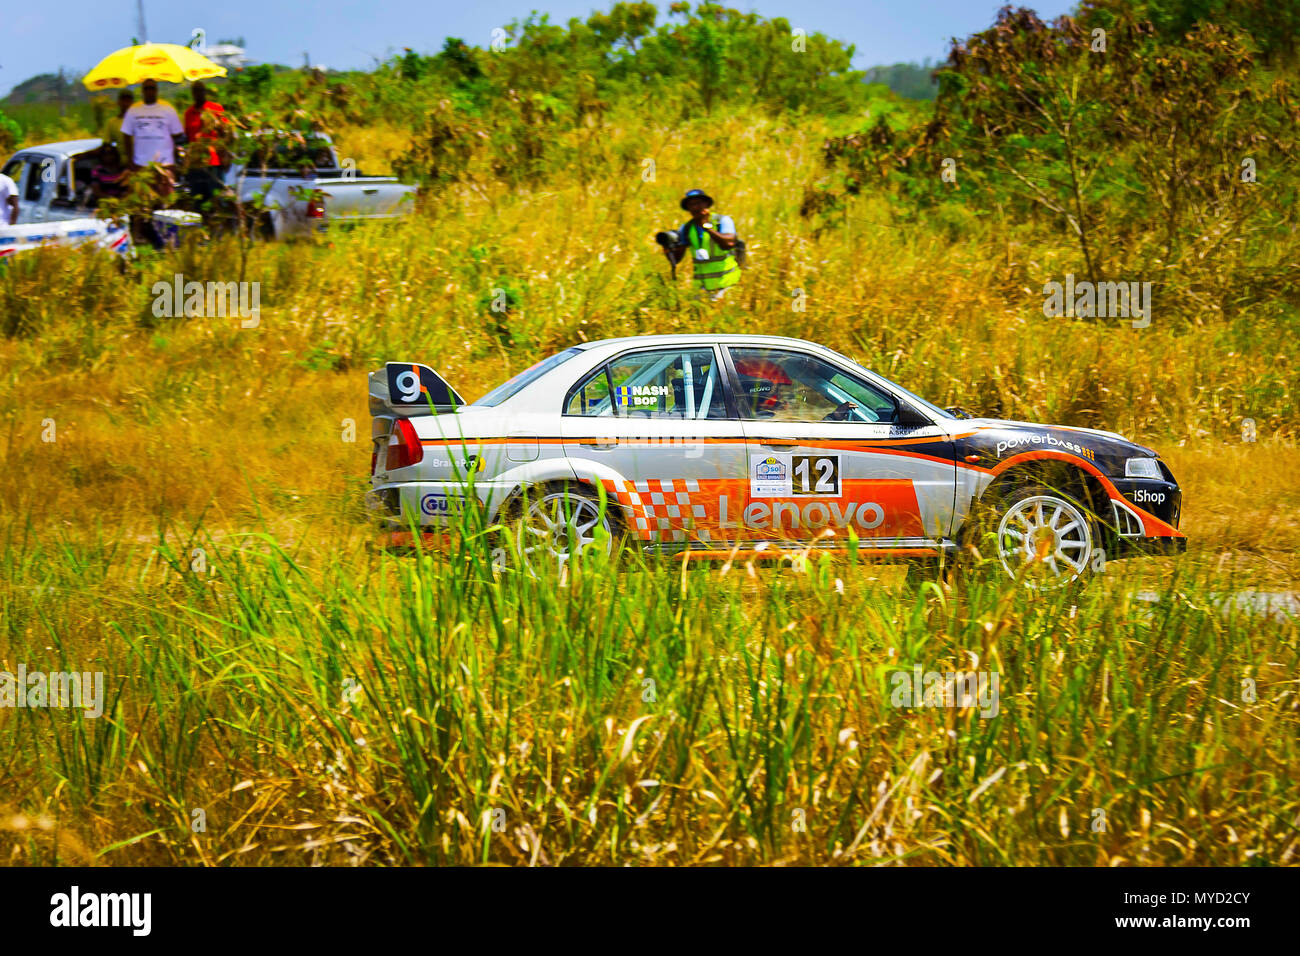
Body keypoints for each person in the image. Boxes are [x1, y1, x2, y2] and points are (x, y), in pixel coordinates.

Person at [668, 188, 741, 300]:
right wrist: (668, 248)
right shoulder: (687, 228)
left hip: (726, 285)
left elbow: (729, 243)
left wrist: (707, 227)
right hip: (701, 288)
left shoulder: (722, 221)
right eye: (691, 205)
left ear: (706, 204)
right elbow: (677, 259)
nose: (695, 207)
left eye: (698, 203)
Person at [182, 81, 230, 209]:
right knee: (197, 200)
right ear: (192, 93)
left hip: (213, 161)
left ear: (205, 92)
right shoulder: (188, 113)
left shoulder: (215, 109)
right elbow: (188, 137)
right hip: (195, 163)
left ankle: (217, 226)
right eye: (195, 90)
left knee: (216, 199)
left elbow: (226, 132)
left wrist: (224, 154)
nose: (198, 93)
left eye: (201, 90)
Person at [120, 78, 185, 170]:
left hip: (165, 164)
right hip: (141, 164)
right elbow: (126, 136)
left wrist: (164, 141)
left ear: (156, 90)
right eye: (146, 89)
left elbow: (177, 133)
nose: (149, 91)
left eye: (152, 88)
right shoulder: (133, 110)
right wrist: (130, 161)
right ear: (142, 91)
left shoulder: (168, 109)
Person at [100, 89, 135, 165]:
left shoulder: (139, 120)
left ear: (132, 103)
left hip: (141, 162)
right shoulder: (112, 122)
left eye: (128, 101)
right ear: (118, 102)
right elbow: (106, 144)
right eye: (123, 100)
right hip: (123, 164)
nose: (126, 104)